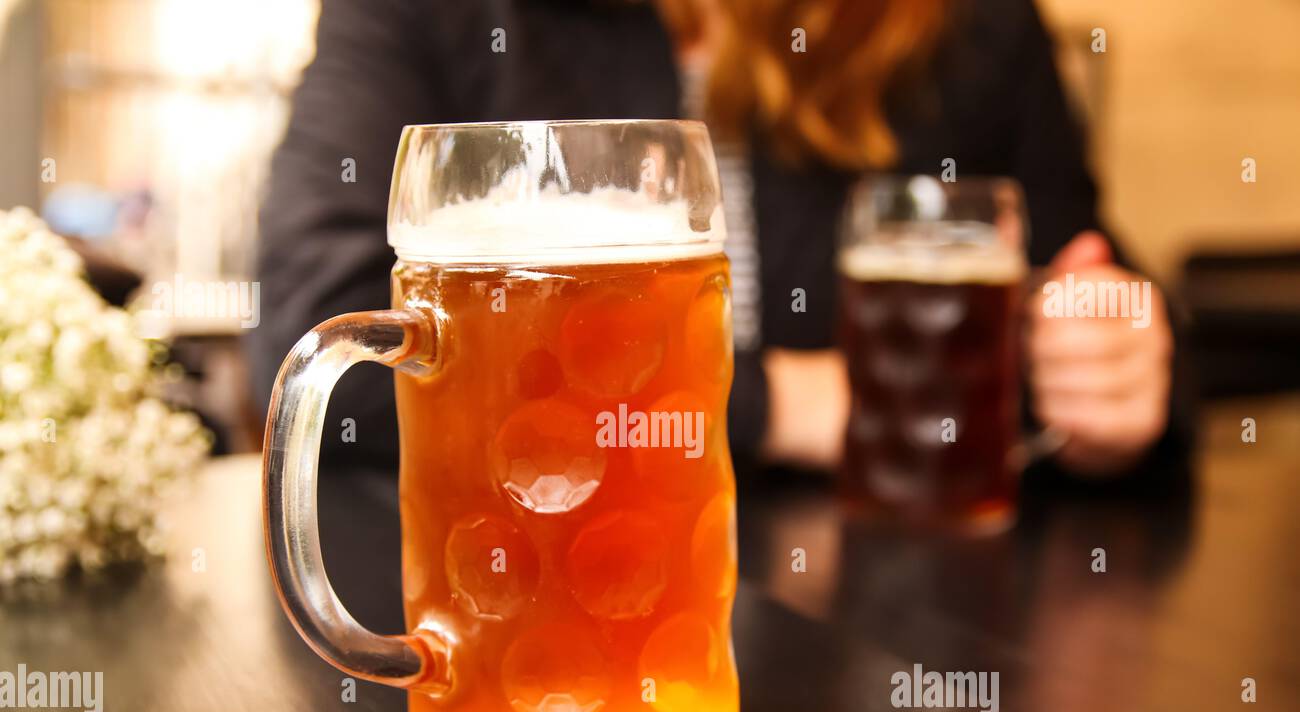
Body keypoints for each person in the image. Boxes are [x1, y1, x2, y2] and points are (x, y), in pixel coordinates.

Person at [251, 0, 1191, 478]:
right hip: (546, 609)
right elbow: (310, 335)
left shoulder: (964, 26)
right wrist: (781, 403)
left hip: (909, 640)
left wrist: (1117, 374)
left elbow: (1093, 276)